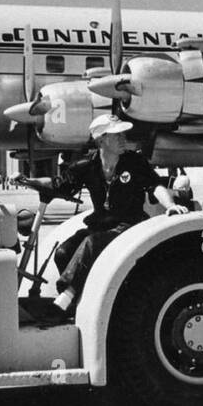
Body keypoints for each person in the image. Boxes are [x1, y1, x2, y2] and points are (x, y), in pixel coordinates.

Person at [19, 114, 188, 318]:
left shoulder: (134, 162)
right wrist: (29, 180)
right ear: (101, 140)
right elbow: (60, 185)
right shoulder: (86, 165)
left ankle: (66, 297)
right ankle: (84, 297)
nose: (123, 138)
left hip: (129, 225)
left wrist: (170, 205)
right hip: (101, 226)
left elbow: (155, 185)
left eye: (123, 133)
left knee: (90, 244)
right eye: (116, 135)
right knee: (64, 252)